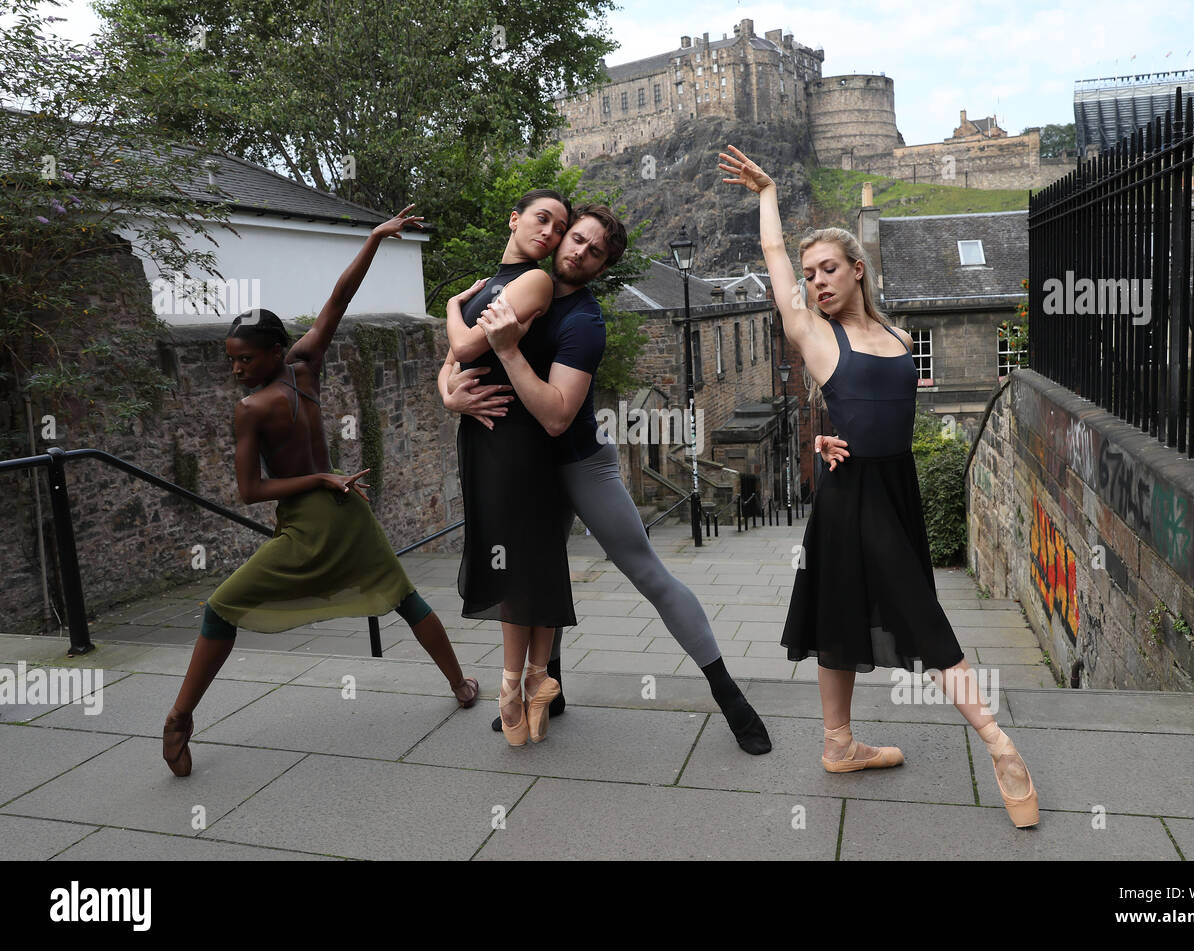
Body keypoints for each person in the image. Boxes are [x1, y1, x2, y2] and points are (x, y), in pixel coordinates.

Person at [719, 145, 1038, 825]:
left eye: (829, 268)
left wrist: (824, 433)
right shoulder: (814, 334)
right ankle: (998, 743)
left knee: (840, 612)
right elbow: (774, 260)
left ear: (858, 269)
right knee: (925, 617)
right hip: (850, 494)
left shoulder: (895, 334)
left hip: (897, 490)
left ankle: (839, 745)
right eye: (810, 274)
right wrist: (768, 194)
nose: (816, 281)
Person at [162, 205, 478, 777]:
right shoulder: (302, 368)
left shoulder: (256, 404)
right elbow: (338, 299)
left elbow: (250, 490)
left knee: (219, 609)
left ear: (275, 351)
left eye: (246, 358)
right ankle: (459, 684)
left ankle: (181, 716)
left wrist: (378, 239)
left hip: (314, 521)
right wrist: (376, 239)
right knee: (403, 598)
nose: (236, 369)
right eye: (231, 361)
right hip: (342, 506)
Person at [451, 202, 771, 755]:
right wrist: (447, 393)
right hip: (523, 465)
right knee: (530, 572)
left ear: (602, 267)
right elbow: (462, 355)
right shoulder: (525, 286)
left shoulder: (584, 322)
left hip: (578, 464)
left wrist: (506, 351)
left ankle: (730, 697)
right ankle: (544, 693)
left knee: (648, 574)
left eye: (594, 251)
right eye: (575, 238)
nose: (577, 251)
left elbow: (555, 415)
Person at [445, 189, 574, 746]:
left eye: (559, 227)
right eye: (541, 218)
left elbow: (468, 348)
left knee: (523, 560)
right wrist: (449, 399)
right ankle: (534, 686)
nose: (549, 232)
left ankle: (514, 689)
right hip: (482, 436)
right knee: (515, 559)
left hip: (520, 439)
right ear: (515, 216)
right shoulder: (494, 284)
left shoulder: (534, 281)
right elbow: (450, 364)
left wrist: (452, 307)